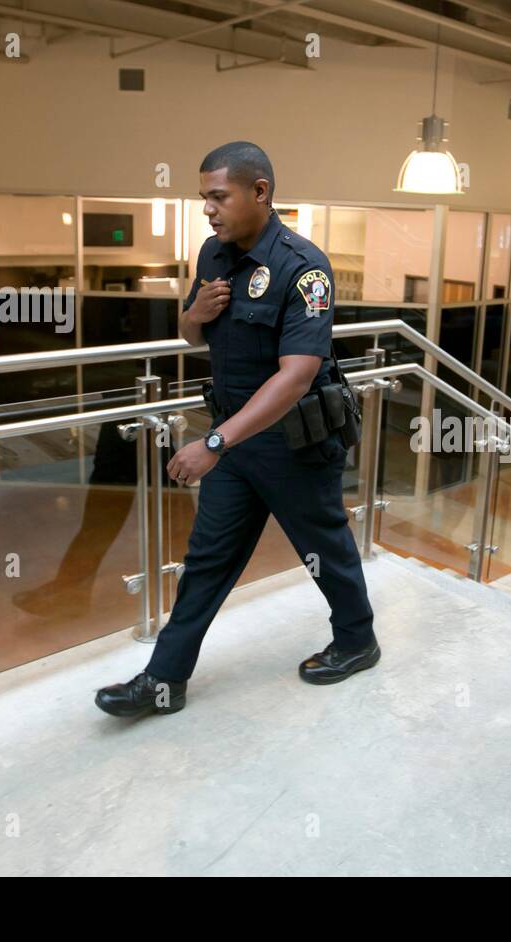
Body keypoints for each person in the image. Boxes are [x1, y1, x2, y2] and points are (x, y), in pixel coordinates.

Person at [95, 141, 379, 717]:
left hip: (293, 443)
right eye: (204, 197)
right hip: (234, 440)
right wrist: (193, 315)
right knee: (207, 560)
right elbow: (191, 337)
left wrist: (214, 443)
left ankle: (357, 639)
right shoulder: (213, 254)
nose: (208, 209)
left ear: (260, 192)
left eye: (219, 196)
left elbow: (296, 376)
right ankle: (163, 681)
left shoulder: (305, 268)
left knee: (324, 549)